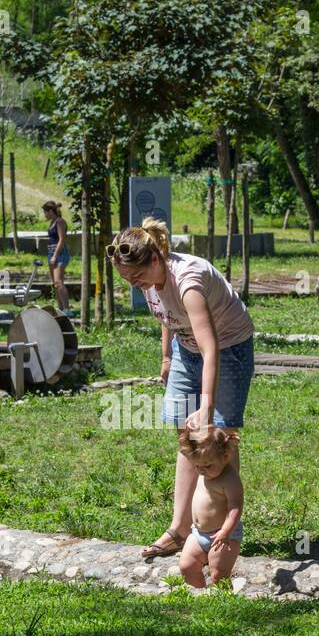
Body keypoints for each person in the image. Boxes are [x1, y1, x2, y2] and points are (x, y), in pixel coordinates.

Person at [107, 217, 256, 561]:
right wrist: (165, 356)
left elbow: (211, 348)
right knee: (186, 437)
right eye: (128, 280)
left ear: (156, 259)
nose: (134, 285)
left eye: (137, 277)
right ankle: (179, 529)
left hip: (228, 347)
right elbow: (167, 316)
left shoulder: (188, 282)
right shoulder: (146, 278)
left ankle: (225, 533)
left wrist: (205, 407)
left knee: (219, 436)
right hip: (184, 349)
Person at [177, 426, 244, 587]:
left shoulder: (229, 479)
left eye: (207, 466)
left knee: (218, 573)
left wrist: (225, 531)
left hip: (223, 535)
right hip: (198, 533)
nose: (202, 471)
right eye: (197, 466)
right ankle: (201, 597)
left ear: (225, 457)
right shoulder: (205, 472)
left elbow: (235, 507)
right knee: (187, 567)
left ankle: (223, 600)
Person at [42, 200, 71, 311]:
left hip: (60, 254)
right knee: (55, 283)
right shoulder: (52, 222)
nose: (44, 215)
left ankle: (67, 309)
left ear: (50, 211)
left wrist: (55, 255)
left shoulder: (60, 222)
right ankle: (60, 308)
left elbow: (62, 239)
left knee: (59, 282)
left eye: (45, 212)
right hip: (51, 253)